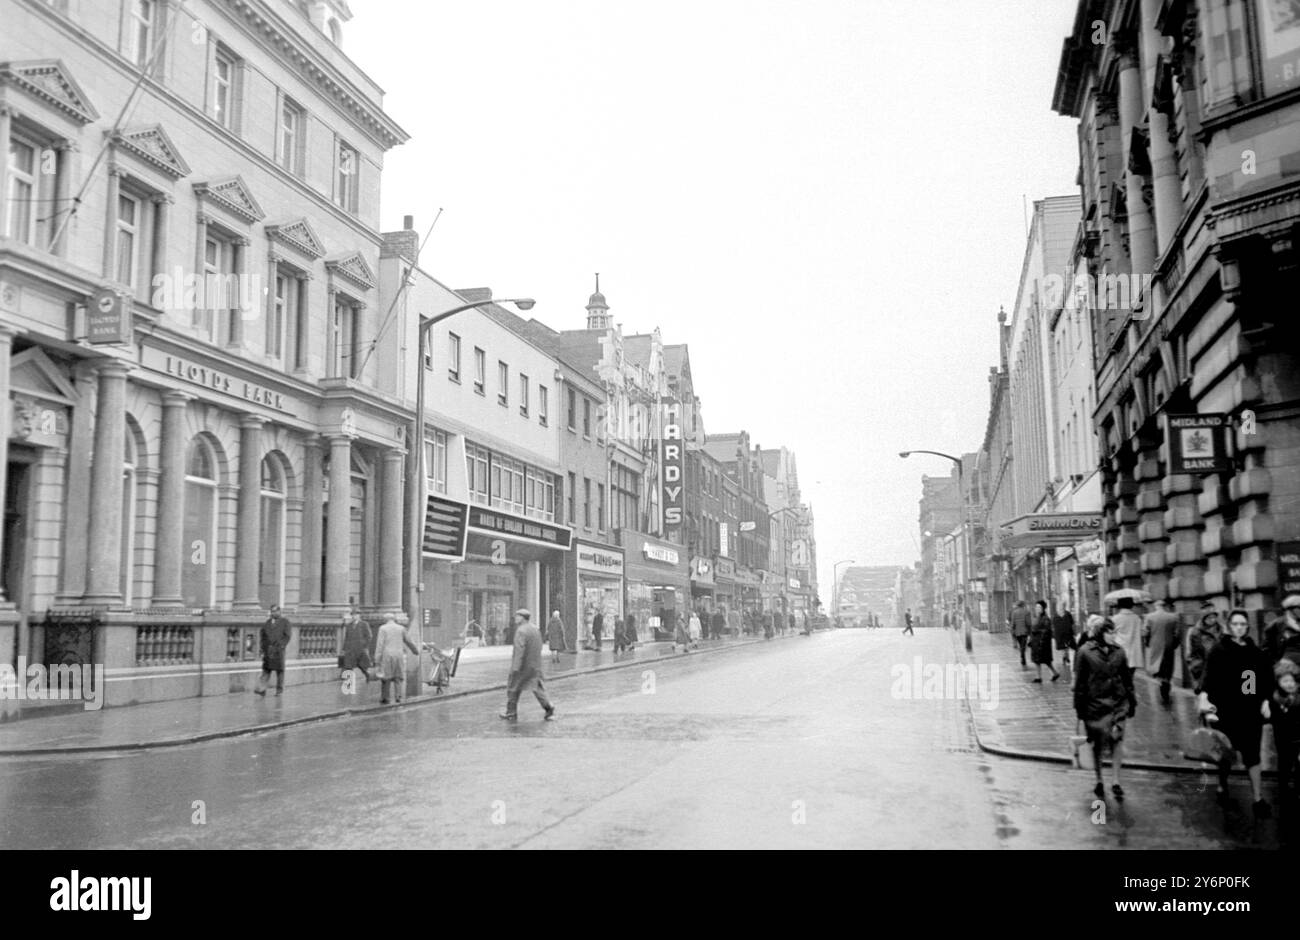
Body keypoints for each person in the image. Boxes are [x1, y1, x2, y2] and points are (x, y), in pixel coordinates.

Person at [1200, 609, 1273, 817]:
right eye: (1236, 624)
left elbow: (1266, 678)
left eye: (1243, 624)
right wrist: (1205, 700)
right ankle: (1223, 785)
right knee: (1226, 753)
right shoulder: (1219, 650)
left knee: (1253, 755)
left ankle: (1258, 798)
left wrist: (1266, 700)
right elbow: (1208, 679)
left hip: (1250, 712)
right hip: (1226, 711)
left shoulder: (1255, 651)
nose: (1240, 628)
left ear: (1247, 626)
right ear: (1229, 626)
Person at [1074, 615, 1136, 801]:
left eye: (1114, 632)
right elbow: (1080, 684)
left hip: (1118, 703)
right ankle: (1099, 779)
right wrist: (1079, 709)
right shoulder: (1085, 652)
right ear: (1101, 633)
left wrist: (1131, 702)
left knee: (1117, 740)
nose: (1113, 636)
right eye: (1110, 633)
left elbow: (1127, 679)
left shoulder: (1119, 652)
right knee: (1098, 744)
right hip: (1095, 705)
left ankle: (1116, 781)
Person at [500, 609, 554, 722]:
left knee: (513, 688)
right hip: (534, 665)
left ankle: (511, 712)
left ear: (522, 618)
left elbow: (520, 650)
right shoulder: (535, 629)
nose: (515, 618)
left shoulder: (521, 631)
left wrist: (515, 667)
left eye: (517, 616)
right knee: (537, 688)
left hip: (522, 667)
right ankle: (548, 707)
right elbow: (539, 646)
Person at [1271, 659, 1300, 841]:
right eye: (1285, 681)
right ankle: (1283, 789)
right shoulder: (1275, 699)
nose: (1289, 685)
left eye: (1292, 682)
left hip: (1298, 738)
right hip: (1283, 739)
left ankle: (1296, 788)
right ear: (1279, 683)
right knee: (1284, 763)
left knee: (1297, 764)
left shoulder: (1298, 698)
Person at [1143, 598, 1182, 705]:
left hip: (1155, 645)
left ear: (1156, 606)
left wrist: (1147, 643)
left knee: (1158, 666)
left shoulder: (1149, 617)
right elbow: (1177, 634)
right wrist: (1174, 644)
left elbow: (1146, 633)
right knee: (1168, 666)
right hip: (1169, 646)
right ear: (1165, 606)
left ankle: (1162, 683)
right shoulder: (1173, 617)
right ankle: (1167, 682)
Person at [374, 613, 419, 705]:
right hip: (399, 655)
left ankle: (385, 698)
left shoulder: (383, 628)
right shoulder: (401, 628)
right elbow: (409, 641)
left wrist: (377, 659)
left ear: (386, 619)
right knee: (398, 676)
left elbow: (380, 645)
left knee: (386, 677)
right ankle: (398, 696)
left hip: (387, 655)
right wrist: (415, 650)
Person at [255, 604, 292, 696]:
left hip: (278, 650)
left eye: (275, 611)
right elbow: (263, 636)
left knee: (280, 670)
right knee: (266, 670)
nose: (273, 613)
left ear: (279, 611)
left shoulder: (285, 622)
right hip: (268, 649)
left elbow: (287, 636)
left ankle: (279, 690)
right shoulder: (267, 623)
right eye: (272, 611)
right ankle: (261, 689)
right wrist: (262, 648)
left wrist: (282, 645)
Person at [1186, 604, 1221, 692]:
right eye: (1210, 618)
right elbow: (1189, 652)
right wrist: (1195, 668)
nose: (1213, 620)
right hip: (1201, 671)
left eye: (1214, 617)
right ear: (1204, 618)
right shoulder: (1194, 632)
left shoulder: (1222, 630)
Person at [1110, 598, 1145, 683]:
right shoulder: (1137, 618)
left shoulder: (1115, 618)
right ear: (1131, 605)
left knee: (1119, 678)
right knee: (1129, 679)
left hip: (1119, 651)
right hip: (1133, 653)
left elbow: (1110, 634)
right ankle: (1129, 693)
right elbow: (1141, 633)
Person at [1264, 594, 1300, 669]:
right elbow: (1267, 649)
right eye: (1299, 608)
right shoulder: (1276, 625)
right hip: (1285, 668)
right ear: (1290, 610)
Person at [340, 609, 373, 687]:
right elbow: (347, 638)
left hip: (360, 648)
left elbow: (369, 636)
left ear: (359, 615)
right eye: (353, 615)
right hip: (350, 649)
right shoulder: (349, 625)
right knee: (348, 665)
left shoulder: (364, 624)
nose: (354, 616)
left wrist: (364, 645)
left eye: (356, 615)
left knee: (361, 665)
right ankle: (348, 682)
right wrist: (344, 649)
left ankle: (367, 674)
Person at [1030, 599, 1060, 683]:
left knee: (1045, 660)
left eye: (1039, 607)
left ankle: (1053, 673)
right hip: (1036, 642)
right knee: (1038, 660)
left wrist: (1038, 634)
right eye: (1036, 607)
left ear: (1043, 608)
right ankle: (1040, 676)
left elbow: (1047, 631)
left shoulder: (1046, 618)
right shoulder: (1036, 617)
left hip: (1042, 643)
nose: (1037, 608)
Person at [1052, 602, 1076, 672]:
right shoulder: (1056, 615)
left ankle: (1066, 657)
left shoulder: (1067, 614)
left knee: (1067, 646)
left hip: (1067, 633)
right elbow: (1054, 625)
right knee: (1063, 646)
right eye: (1060, 606)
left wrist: (1073, 632)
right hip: (1060, 634)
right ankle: (1065, 657)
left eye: (1062, 606)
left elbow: (1072, 623)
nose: (1062, 607)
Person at [1009, 600, 1031, 667]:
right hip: (1024, 632)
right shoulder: (1026, 612)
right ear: (1023, 605)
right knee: (1023, 645)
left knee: (1021, 645)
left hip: (1017, 632)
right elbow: (1028, 623)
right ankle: (1022, 656)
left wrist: (1012, 630)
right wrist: (1030, 631)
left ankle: (1022, 656)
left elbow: (1013, 623)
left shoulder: (1014, 612)